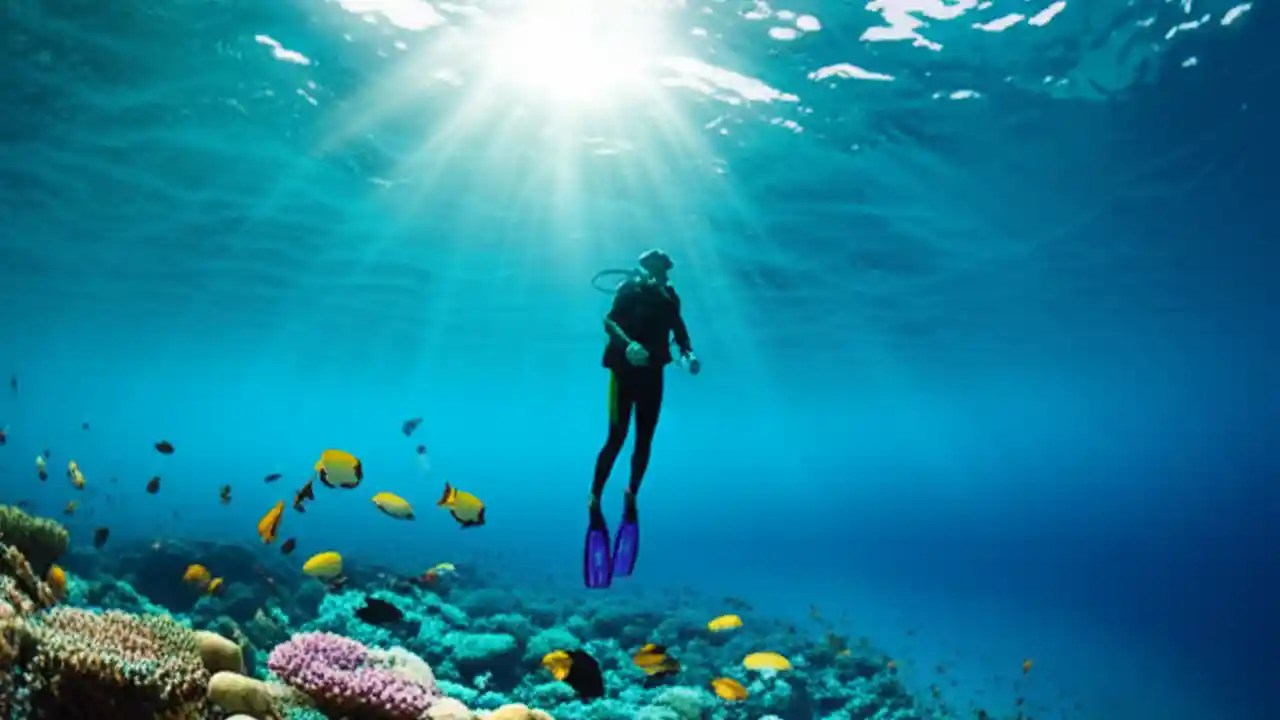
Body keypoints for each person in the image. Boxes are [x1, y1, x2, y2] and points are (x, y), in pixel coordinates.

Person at [585, 248, 700, 589]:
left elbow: (679, 328)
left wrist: (688, 352)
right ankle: (595, 495)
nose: (657, 273)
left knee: (645, 439)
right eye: (651, 267)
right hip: (624, 371)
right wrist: (629, 345)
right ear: (643, 267)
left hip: (653, 373)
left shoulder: (670, 297)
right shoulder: (629, 289)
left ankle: (631, 493)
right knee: (617, 437)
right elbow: (609, 321)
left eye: (661, 268)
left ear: (667, 270)